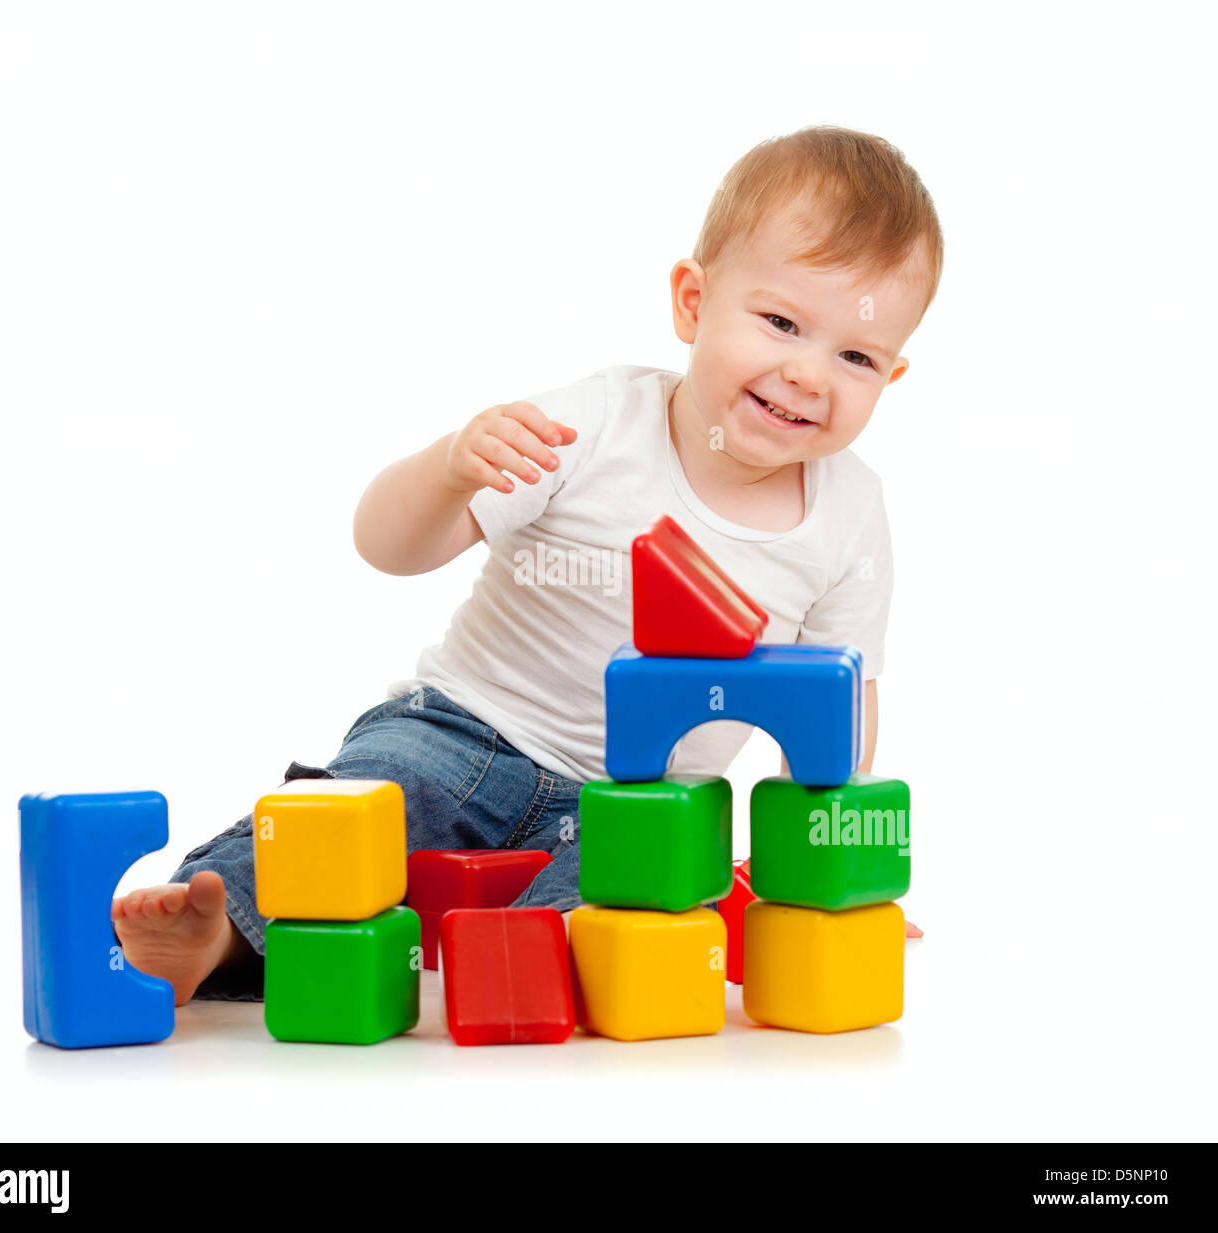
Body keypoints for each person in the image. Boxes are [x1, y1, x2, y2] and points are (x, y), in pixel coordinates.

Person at [112, 126, 941, 1004]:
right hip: (461, 733)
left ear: (890, 377)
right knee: (365, 806)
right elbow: (385, 547)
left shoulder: (850, 514)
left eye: (854, 355)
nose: (810, 373)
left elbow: (839, 706)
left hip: (634, 806)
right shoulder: (592, 428)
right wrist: (448, 468)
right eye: (780, 322)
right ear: (693, 303)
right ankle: (217, 930)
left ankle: (516, 968)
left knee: (621, 913)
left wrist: (826, 864)